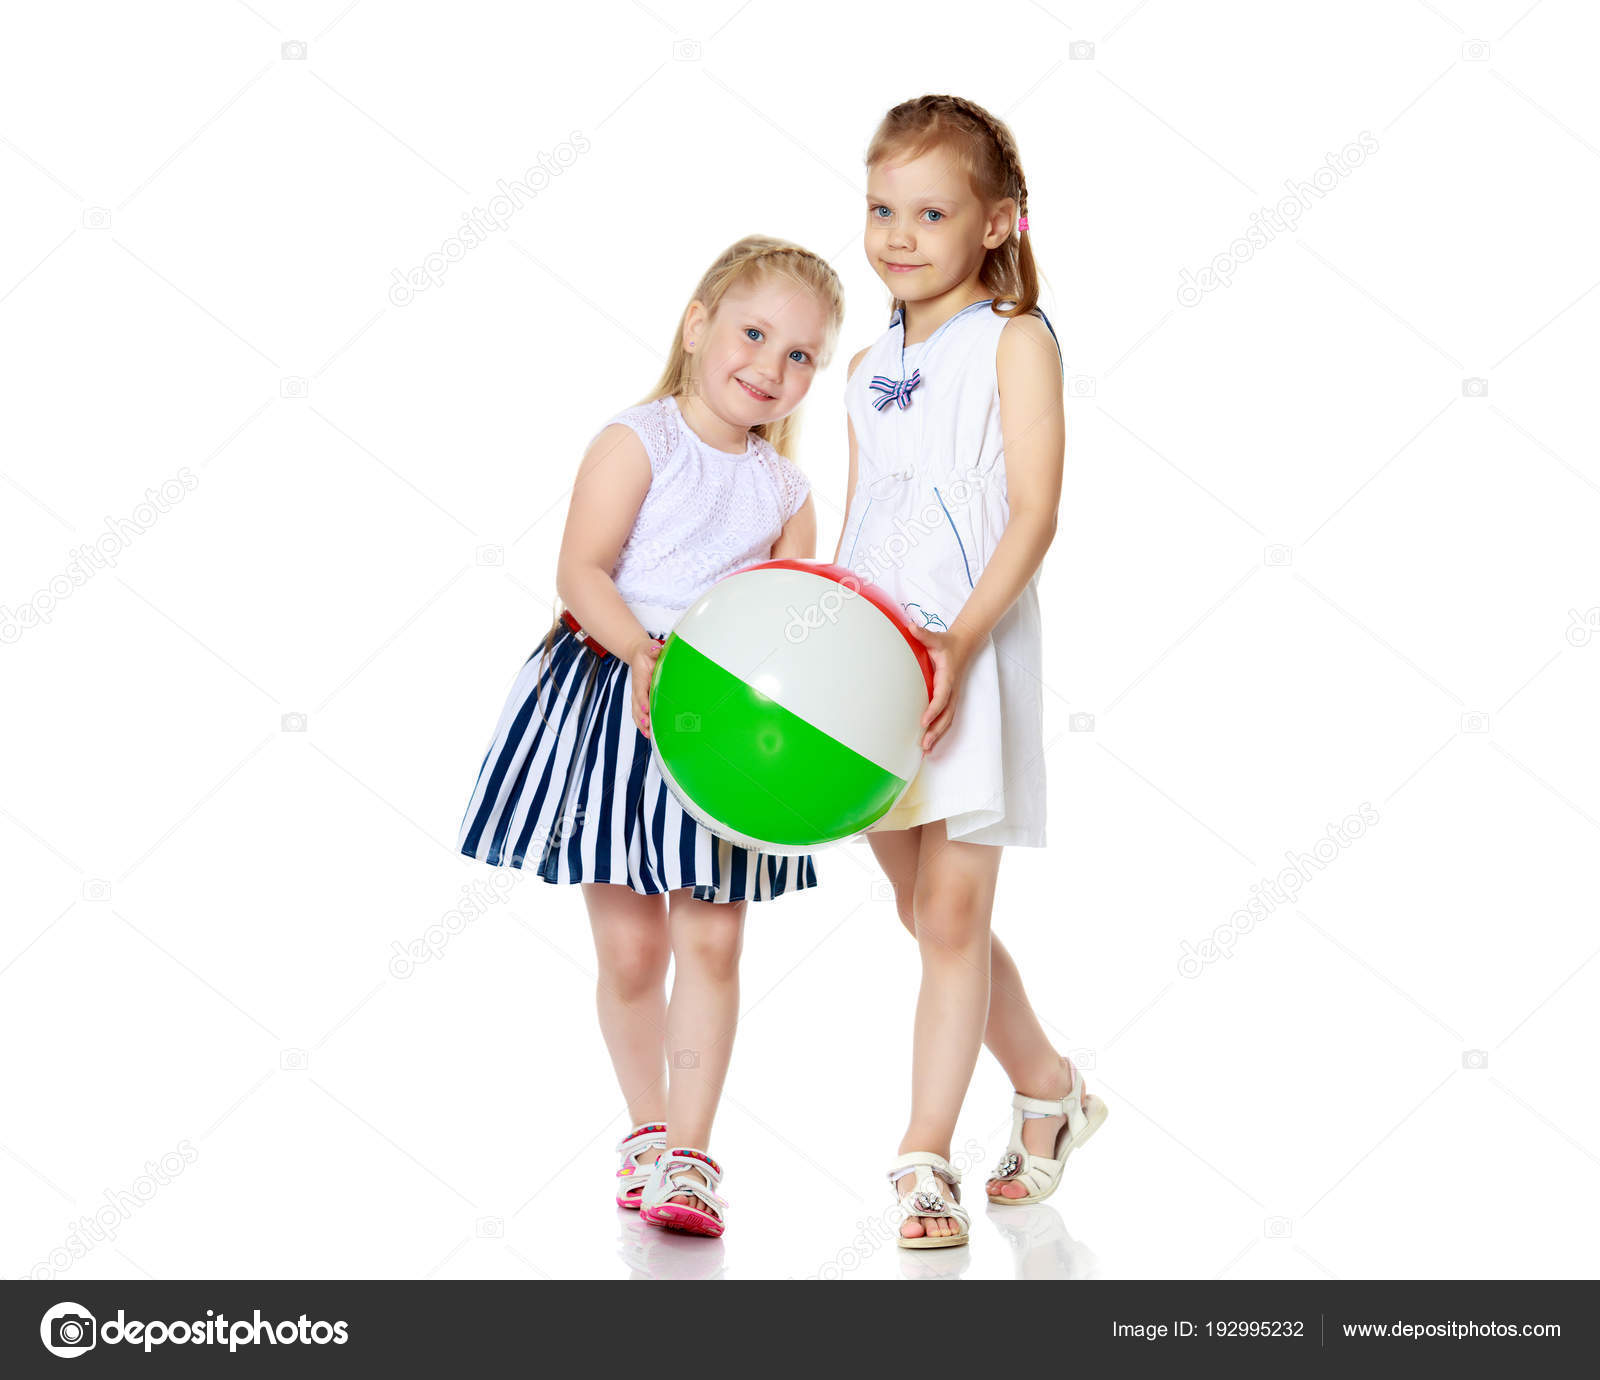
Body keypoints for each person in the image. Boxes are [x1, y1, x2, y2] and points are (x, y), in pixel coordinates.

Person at [458, 235, 845, 1237]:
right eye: (755, 333)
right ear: (697, 324)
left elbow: (793, 619)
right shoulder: (638, 441)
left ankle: (690, 1158)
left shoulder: (787, 495)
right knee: (633, 954)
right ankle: (648, 1129)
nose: (771, 364)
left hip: (720, 733)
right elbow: (582, 571)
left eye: (801, 355)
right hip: (614, 702)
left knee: (712, 943)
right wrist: (643, 652)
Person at [835, 96, 1107, 1249]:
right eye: (881, 208)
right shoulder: (861, 365)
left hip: (966, 653)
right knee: (919, 905)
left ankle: (921, 1158)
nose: (899, 234)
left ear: (997, 222)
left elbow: (1034, 515)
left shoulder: (1016, 339)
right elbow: (859, 526)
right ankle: (1049, 1084)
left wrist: (958, 641)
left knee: (952, 915)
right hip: (866, 666)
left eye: (931, 211)